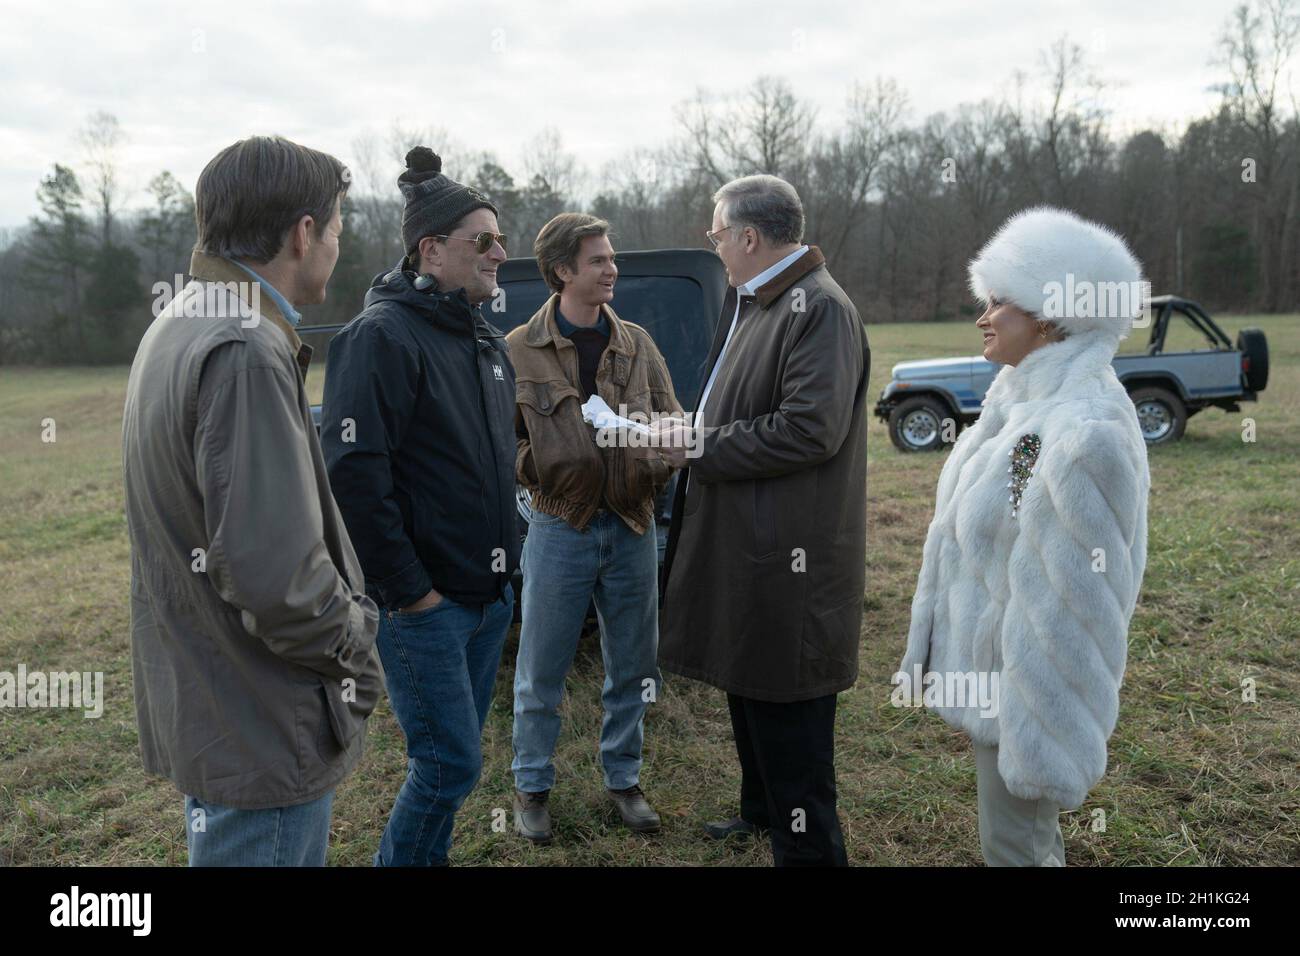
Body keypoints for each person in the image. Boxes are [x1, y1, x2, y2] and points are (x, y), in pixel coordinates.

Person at [123, 135, 380, 866]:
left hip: (219, 700)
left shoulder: (181, 319)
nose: (334, 244)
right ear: (304, 233)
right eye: (334, 229)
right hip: (261, 722)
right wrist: (355, 647)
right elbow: (275, 578)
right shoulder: (245, 349)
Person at [896, 205, 1150, 866]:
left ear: (1050, 312)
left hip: (1027, 700)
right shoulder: (1019, 402)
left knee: (1015, 848)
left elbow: (1077, 604)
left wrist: (1041, 736)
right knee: (1022, 842)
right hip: (995, 679)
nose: (983, 316)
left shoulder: (1083, 430)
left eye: (999, 301)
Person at [653, 174, 870, 867]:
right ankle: (762, 814)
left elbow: (810, 430)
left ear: (749, 236)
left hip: (789, 553)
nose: (713, 246)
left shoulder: (818, 308)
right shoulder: (758, 301)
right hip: (749, 540)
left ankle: (806, 848)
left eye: (717, 234)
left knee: (788, 710)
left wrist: (698, 446)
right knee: (753, 685)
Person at [320, 147, 518, 867]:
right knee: (449, 767)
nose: (501, 252)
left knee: (452, 767)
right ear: (431, 251)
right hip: (424, 609)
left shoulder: (486, 341)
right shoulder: (379, 338)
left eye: (500, 237)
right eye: (483, 242)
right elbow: (353, 478)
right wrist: (414, 593)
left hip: (489, 598)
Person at [506, 213, 683, 844]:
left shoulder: (637, 343)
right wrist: (545, 464)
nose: (612, 270)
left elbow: (673, 419)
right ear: (562, 271)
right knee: (540, 668)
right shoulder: (516, 350)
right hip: (559, 527)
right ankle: (531, 787)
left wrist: (663, 453)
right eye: (599, 261)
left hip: (634, 524)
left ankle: (624, 781)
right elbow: (501, 443)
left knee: (634, 668)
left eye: (612, 259)